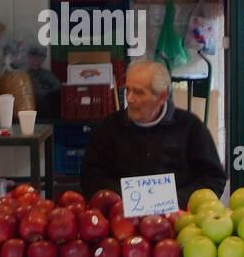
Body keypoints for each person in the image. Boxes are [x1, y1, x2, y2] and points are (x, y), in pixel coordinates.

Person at [80, 60, 228, 205]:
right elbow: (91, 177)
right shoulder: (108, 127)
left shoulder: (190, 126)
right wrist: (129, 201)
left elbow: (213, 178)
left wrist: (172, 201)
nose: (130, 99)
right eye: (127, 90)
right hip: (119, 214)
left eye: (138, 92)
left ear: (161, 97)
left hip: (181, 215)